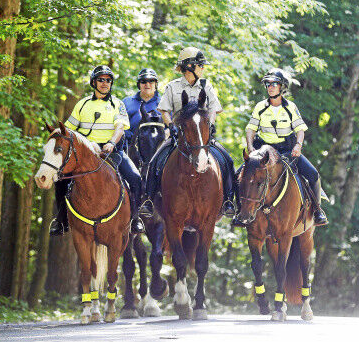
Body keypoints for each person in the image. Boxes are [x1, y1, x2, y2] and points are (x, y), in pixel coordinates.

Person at [49, 65, 145, 236]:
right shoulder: (82, 104)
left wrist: (111, 142)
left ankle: (135, 219)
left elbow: (120, 128)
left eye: (108, 80)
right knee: (60, 179)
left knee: (136, 179)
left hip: (112, 151)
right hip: (86, 153)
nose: (105, 83)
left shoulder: (118, 104)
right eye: (101, 79)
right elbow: (69, 130)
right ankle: (61, 220)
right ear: (94, 82)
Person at [145, 47, 237, 215]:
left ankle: (229, 201)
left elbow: (213, 109)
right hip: (179, 136)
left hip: (202, 135)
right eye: (200, 65)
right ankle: (149, 200)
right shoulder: (172, 87)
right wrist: (171, 126)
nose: (203, 68)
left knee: (228, 161)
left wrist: (210, 125)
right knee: (154, 162)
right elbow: (164, 110)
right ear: (189, 66)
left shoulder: (206, 86)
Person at [243, 68, 328, 226]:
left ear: (282, 87)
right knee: (240, 174)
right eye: (268, 83)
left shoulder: (290, 107)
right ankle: (238, 210)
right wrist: (249, 145)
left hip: (287, 151)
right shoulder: (260, 107)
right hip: (263, 152)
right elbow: (251, 128)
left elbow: (300, 129)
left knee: (313, 174)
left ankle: (317, 212)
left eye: (274, 83)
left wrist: (298, 145)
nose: (270, 86)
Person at [122, 68, 162, 144]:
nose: (147, 84)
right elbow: (119, 125)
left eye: (151, 81)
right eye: (143, 81)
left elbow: (172, 126)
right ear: (139, 84)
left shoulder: (164, 103)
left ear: (156, 84)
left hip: (157, 148)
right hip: (129, 146)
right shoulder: (126, 102)